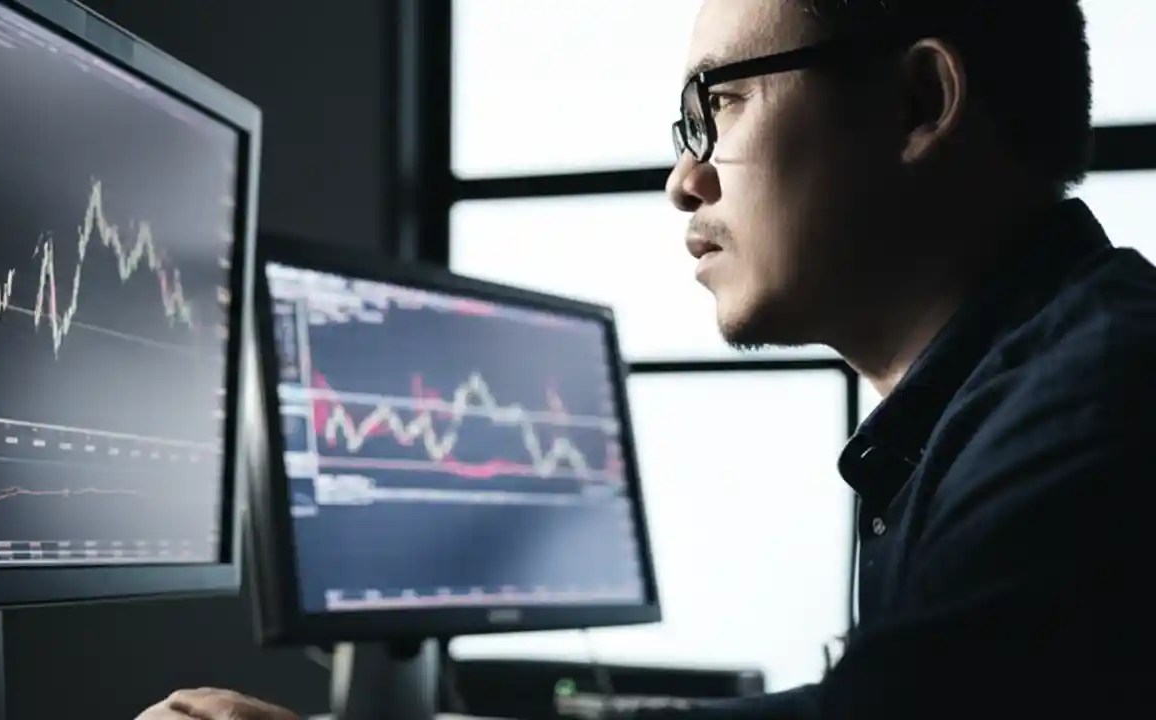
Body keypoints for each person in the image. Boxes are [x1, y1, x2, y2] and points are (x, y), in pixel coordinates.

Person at [138, 0, 1156, 717]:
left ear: (917, 103)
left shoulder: (1092, 412)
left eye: (715, 106)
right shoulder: (1035, 386)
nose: (682, 178)